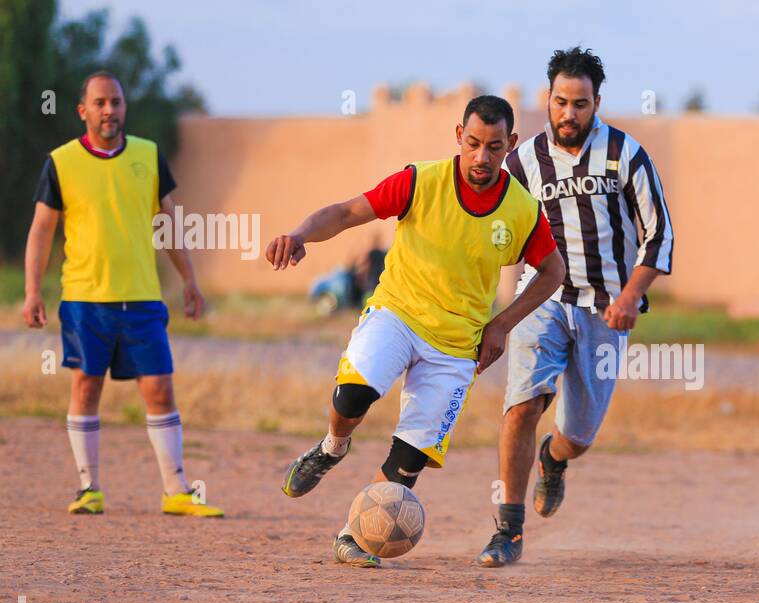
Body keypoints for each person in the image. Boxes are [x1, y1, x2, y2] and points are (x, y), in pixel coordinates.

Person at [267, 95, 566, 568]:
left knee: (410, 456)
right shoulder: (420, 181)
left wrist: (501, 324)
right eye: (472, 144)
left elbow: (553, 271)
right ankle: (332, 447)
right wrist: (299, 235)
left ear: (510, 145)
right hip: (397, 315)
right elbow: (346, 213)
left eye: (493, 146)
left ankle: (355, 536)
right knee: (353, 395)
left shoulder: (522, 210)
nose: (481, 157)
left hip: (456, 348)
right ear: (458, 137)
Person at [477, 47, 674, 567]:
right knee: (522, 404)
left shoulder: (626, 155)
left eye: (580, 104)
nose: (569, 114)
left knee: (579, 435)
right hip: (539, 299)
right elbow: (491, 229)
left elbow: (660, 235)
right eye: (561, 102)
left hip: (605, 309)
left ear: (597, 103)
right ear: (547, 99)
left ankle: (555, 459)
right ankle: (508, 530)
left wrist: (631, 295)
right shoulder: (522, 162)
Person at [22, 70, 223, 518]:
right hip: (84, 298)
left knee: (159, 390)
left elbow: (169, 224)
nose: (109, 110)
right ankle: (88, 488)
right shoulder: (60, 162)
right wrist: (33, 290)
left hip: (143, 299)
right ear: (83, 111)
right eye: (100, 103)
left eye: (116, 101)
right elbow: (41, 230)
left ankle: (176, 491)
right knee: (85, 386)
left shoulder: (150, 157)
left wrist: (189, 280)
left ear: (124, 107)